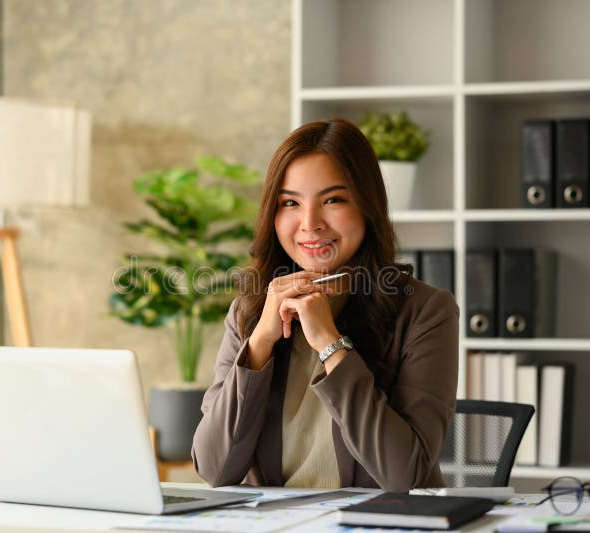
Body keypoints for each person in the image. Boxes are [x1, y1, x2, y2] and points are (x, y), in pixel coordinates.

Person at [191, 118, 458, 491]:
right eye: (290, 203)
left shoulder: (425, 312)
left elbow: (405, 476)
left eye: (333, 200)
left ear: (367, 205)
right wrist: (259, 343)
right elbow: (214, 469)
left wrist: (330, 345)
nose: (310, 223)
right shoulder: (250, 310)